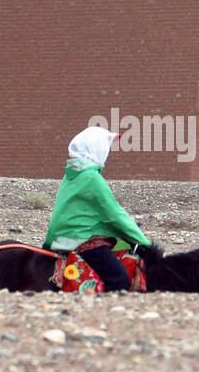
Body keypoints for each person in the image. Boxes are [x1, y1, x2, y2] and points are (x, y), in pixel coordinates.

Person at [43, 125, 151, 292]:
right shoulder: (92, 177)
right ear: (97, 148)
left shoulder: (70, 175)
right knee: (120, 279)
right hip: (82, 240)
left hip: (63, 238)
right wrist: (143, 242)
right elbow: (114, 215)